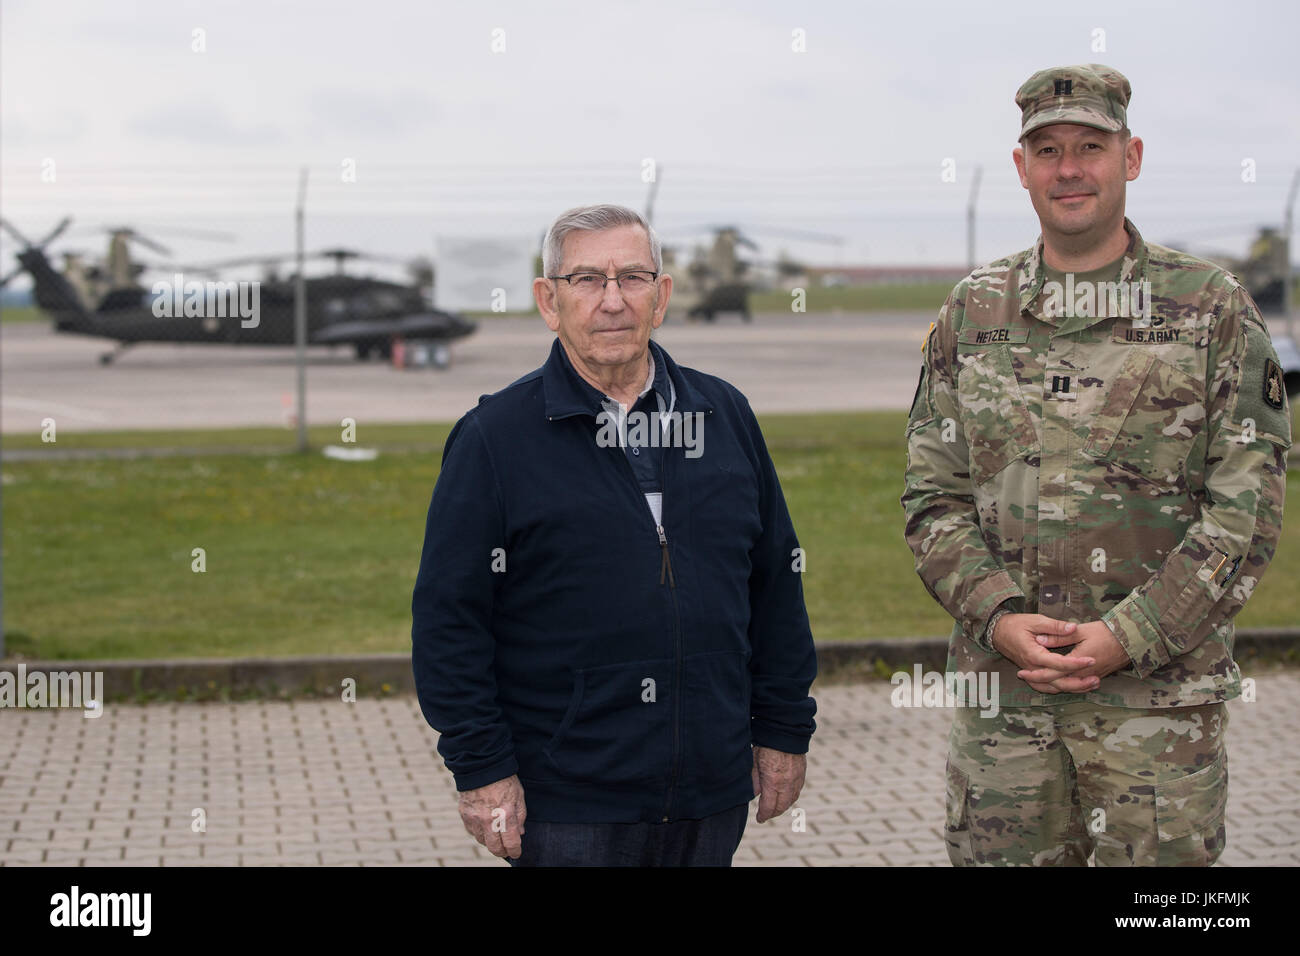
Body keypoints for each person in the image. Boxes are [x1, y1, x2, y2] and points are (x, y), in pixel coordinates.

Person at [901, 64, 1291, 866]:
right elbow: (931, 498)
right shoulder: (973, 312)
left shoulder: (1210, 309)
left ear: (1132, 157)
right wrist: (1000, 618)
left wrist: (1130, 635)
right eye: (1047, 150)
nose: (1069, 168)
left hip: (1155, 723)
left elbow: (1245, 515)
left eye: (1090, 146)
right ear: (1022, 169)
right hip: (1005, 714)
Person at [412, 204, 817, 867]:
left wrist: (782, 730)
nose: (612, 301)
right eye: (586, 280)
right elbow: (448, 621)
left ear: (662, 296)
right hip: (569, 801)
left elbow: (776, 586)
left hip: (709, 795)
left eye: (632, 277)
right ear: (549, 300)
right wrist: (482, 769)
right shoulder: (495, 438)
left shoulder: (724, 415)